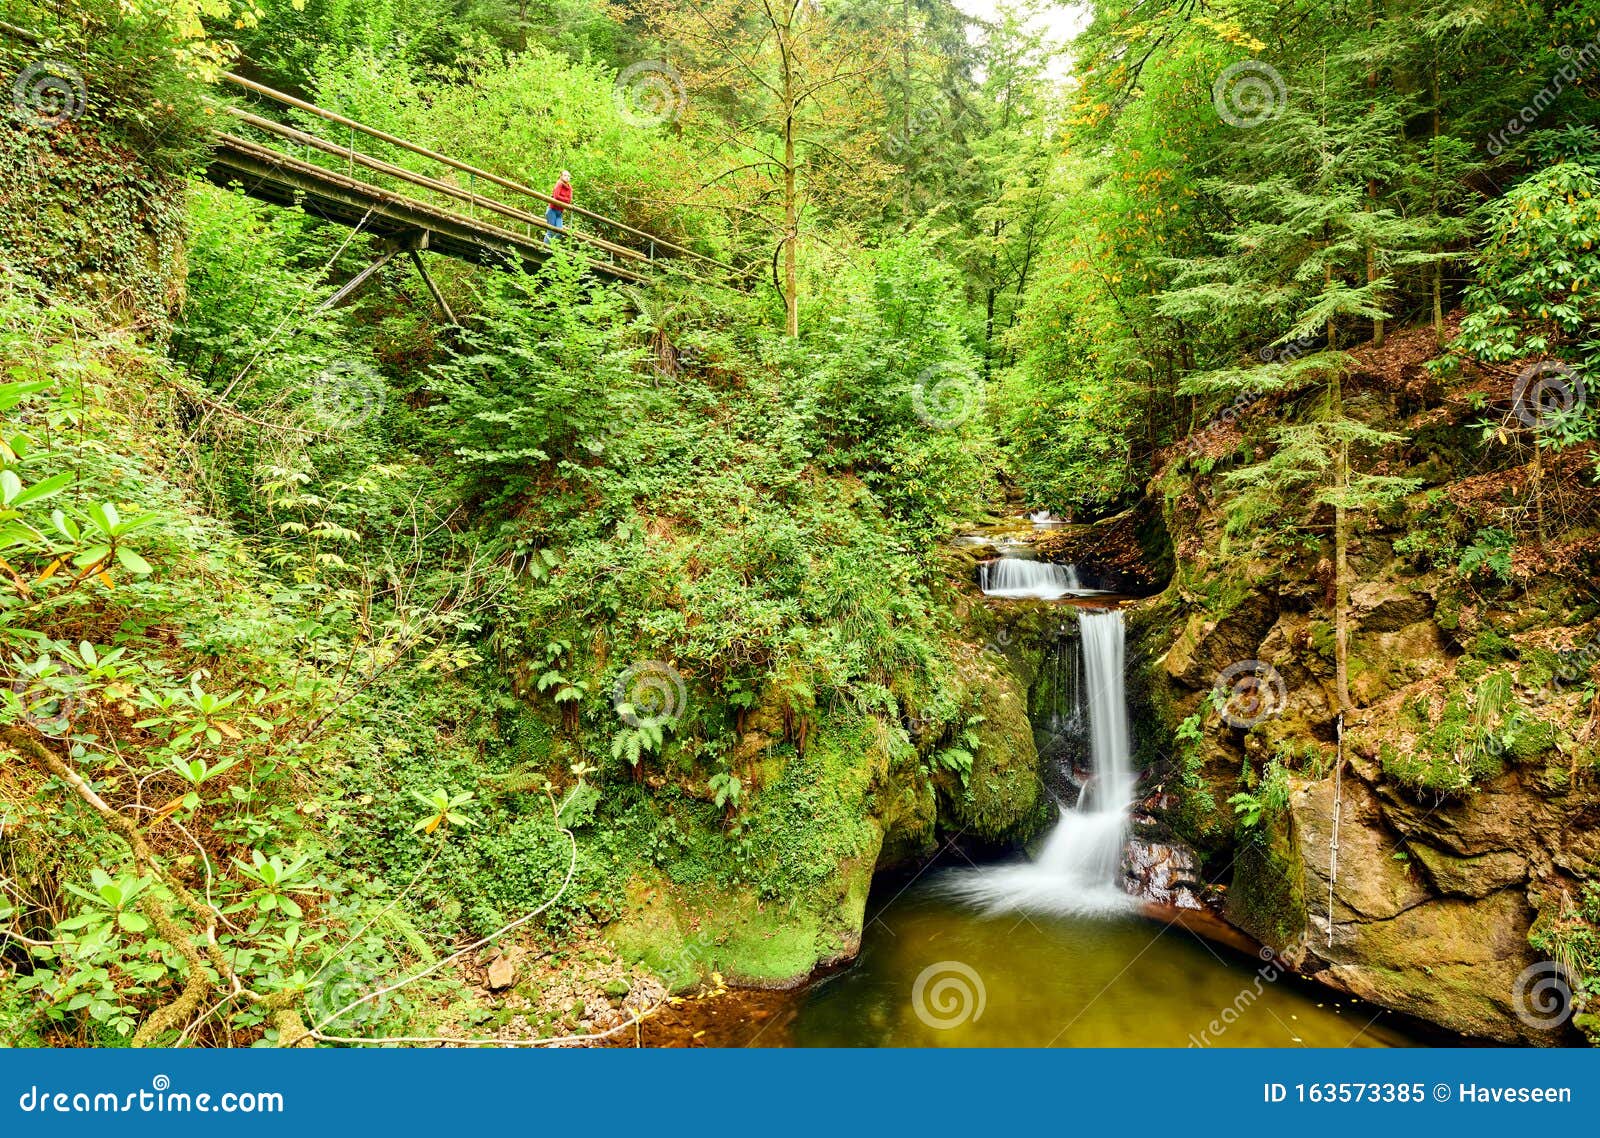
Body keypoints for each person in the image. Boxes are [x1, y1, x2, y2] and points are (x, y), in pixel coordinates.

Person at [544, 170, 572, 244]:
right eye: (565, 175)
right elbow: (556, 196)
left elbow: (569, 200)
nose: (567, 177)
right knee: (550, 231)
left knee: (560, 233)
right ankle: (544, 248)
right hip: (552, 210)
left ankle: (552, 246)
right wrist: (564, 200)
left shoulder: (569, 187)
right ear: (561, 176)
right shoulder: (559, 184)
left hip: (559, 212)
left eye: (569, 176)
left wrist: (563, 199)